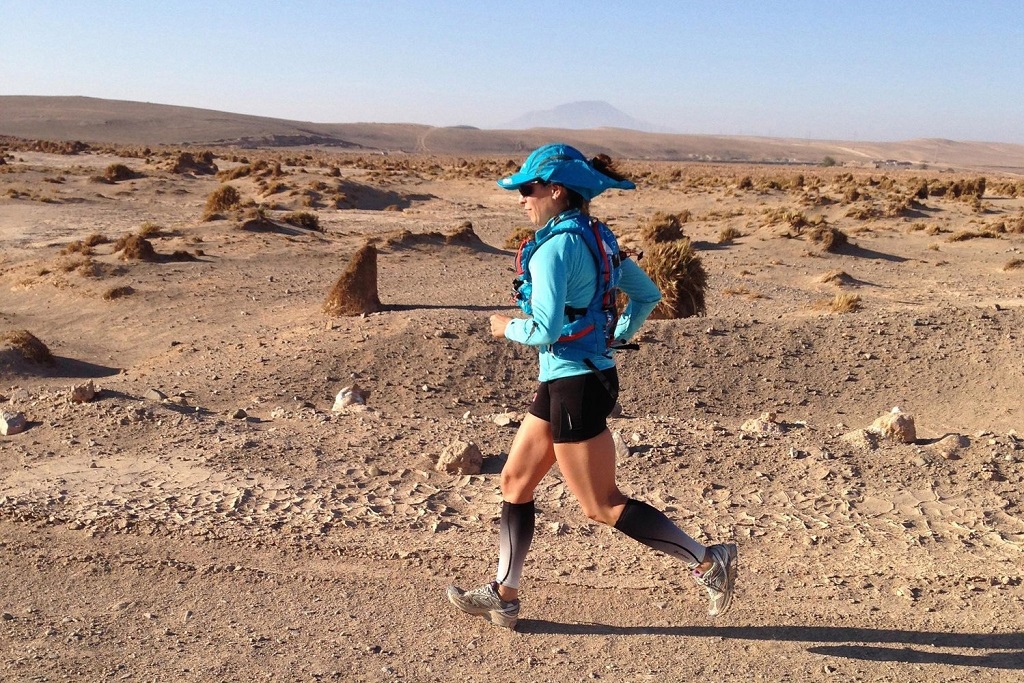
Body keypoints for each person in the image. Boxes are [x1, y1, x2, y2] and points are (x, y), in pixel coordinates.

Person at [446, 144, 737, 630]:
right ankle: (504, 594)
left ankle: (709, 561)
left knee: (601, 505)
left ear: (555, 190)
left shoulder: (555, 249)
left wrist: (503, 327)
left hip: (576, 387)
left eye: (528, 189)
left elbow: (542, 329)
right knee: (515, 481)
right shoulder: (599, 240)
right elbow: (647, 295)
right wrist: (615, 333)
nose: (522, 199)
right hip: (568, 379)